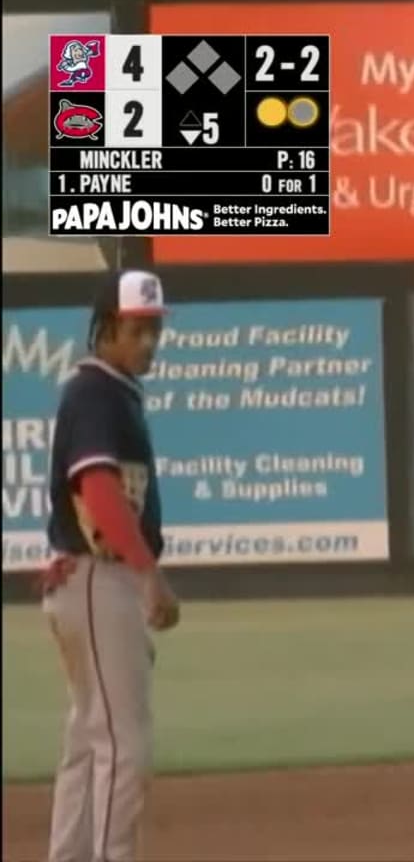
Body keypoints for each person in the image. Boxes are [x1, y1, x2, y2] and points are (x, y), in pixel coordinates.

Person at [38, 270, 180, 862]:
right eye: (134, 329)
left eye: (154, 329)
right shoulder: (95, 392)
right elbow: (98, 490)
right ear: (105, 329)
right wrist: (149, 574)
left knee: (87, 738)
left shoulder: (108, 391)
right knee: (126, 742)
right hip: (100, 579)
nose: (148, 341)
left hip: (85, 581)